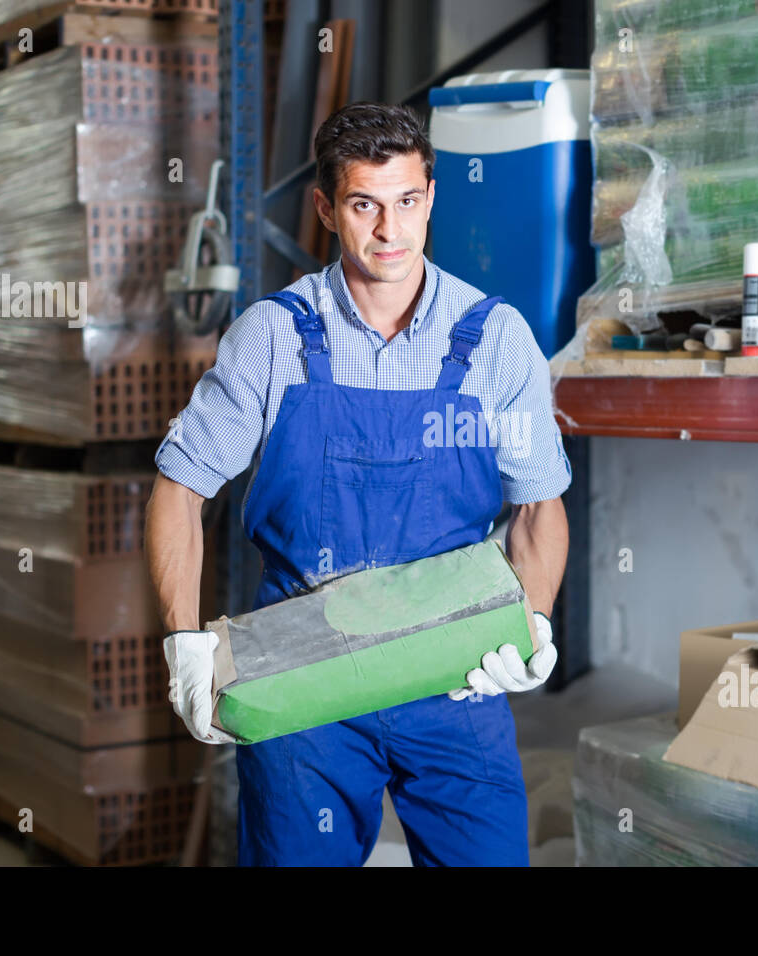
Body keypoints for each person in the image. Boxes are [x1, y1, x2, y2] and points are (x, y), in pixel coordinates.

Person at [145, 102, 571, 867]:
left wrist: (531, 622)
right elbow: (180, 487)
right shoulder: (275, 337)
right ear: (324, 209)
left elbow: (540, 506)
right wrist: (182, 643)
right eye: (364, 205)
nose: (390, 231)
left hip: (456, 674)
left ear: (432, 197)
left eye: (408, 202)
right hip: (303, 676)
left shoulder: (494, 340)